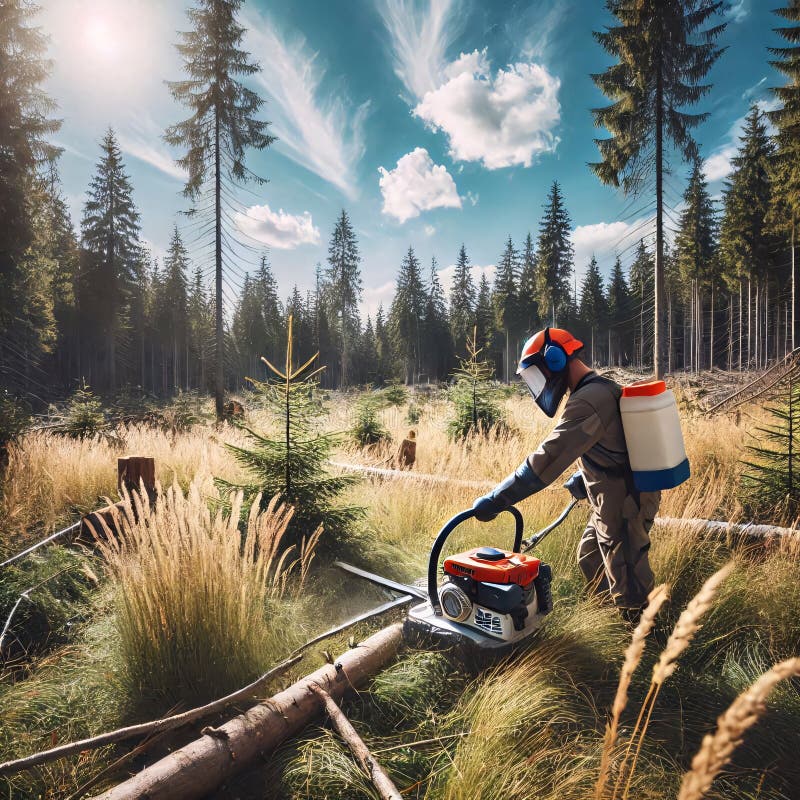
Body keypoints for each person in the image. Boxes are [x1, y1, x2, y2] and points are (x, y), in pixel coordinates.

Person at [472, 327, 660, 611]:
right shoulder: (597, 389)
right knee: (590, 556)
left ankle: (642, 640)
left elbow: (546, 460)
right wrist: (586, 476)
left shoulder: (588, 399)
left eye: (538, 373)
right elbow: (612, 445)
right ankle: (610, 622)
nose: (540, 383)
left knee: (629, 583)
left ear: (556, 360)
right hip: (611, 498)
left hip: (624, 503)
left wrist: (496, 499)